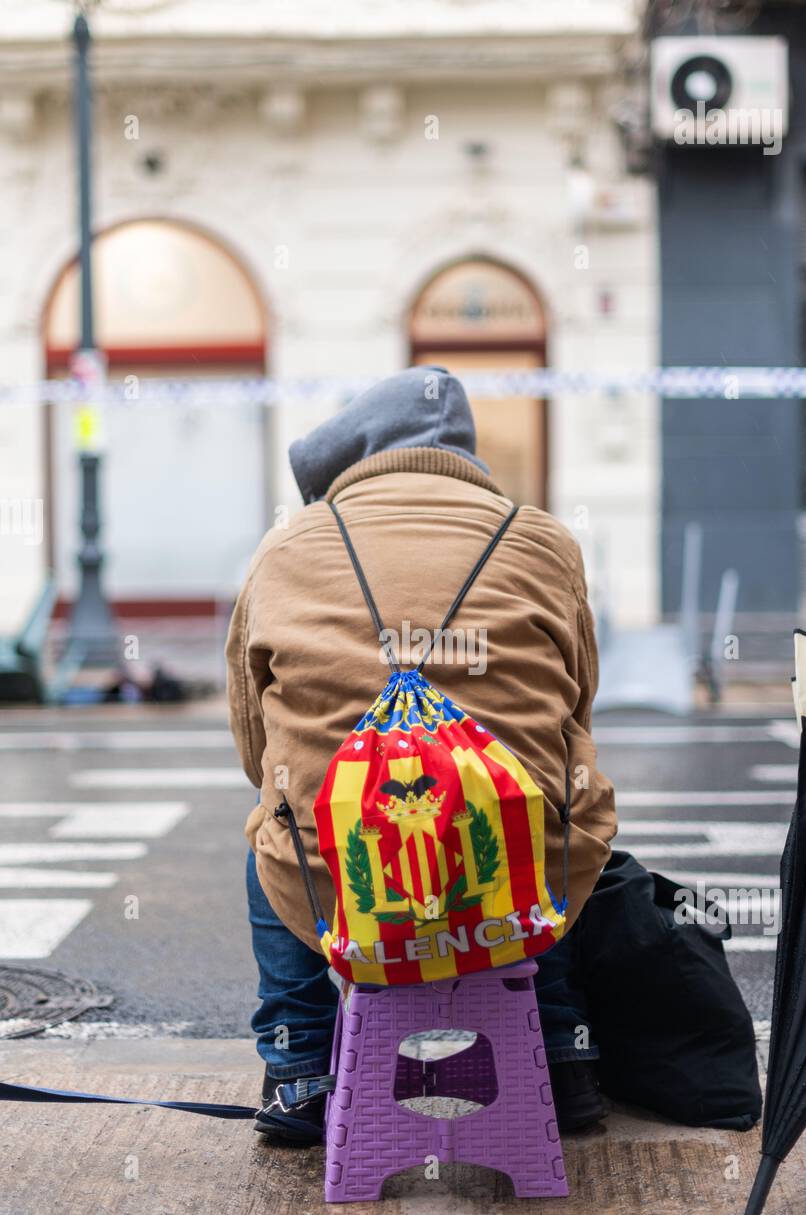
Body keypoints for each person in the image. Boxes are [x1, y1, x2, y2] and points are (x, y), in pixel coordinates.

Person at [226, 366, 617, 1145]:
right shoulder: (542, 539)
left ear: (355, 458)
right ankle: (559, 1048)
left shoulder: (288, 546)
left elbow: (252, 734)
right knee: (561, 809)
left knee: (270, 836)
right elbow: (577, 705)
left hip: (345, 881)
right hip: (513, 881)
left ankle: (302, 1067)